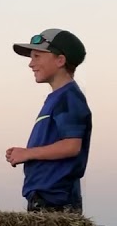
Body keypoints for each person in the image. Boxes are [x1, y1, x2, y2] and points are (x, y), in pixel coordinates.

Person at [5, 28, 92, 212]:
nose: (31, 64)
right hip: (45, 198)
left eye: (37, 56)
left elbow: (72, 146)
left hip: (57, 200)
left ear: (60, 60)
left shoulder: (69, 98)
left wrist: (27, 154)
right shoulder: (58, 98)